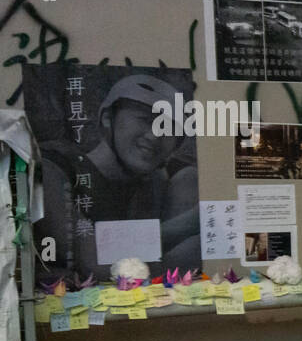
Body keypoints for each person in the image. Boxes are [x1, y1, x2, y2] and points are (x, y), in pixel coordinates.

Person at [38, 74, 200, 282]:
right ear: (108, 118)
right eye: (144, 120)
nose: (154, 136)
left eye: (168, 129)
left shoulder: (170, 180)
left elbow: (174, 269)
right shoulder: (56, 166)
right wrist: (188, 224)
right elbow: (96, 264)